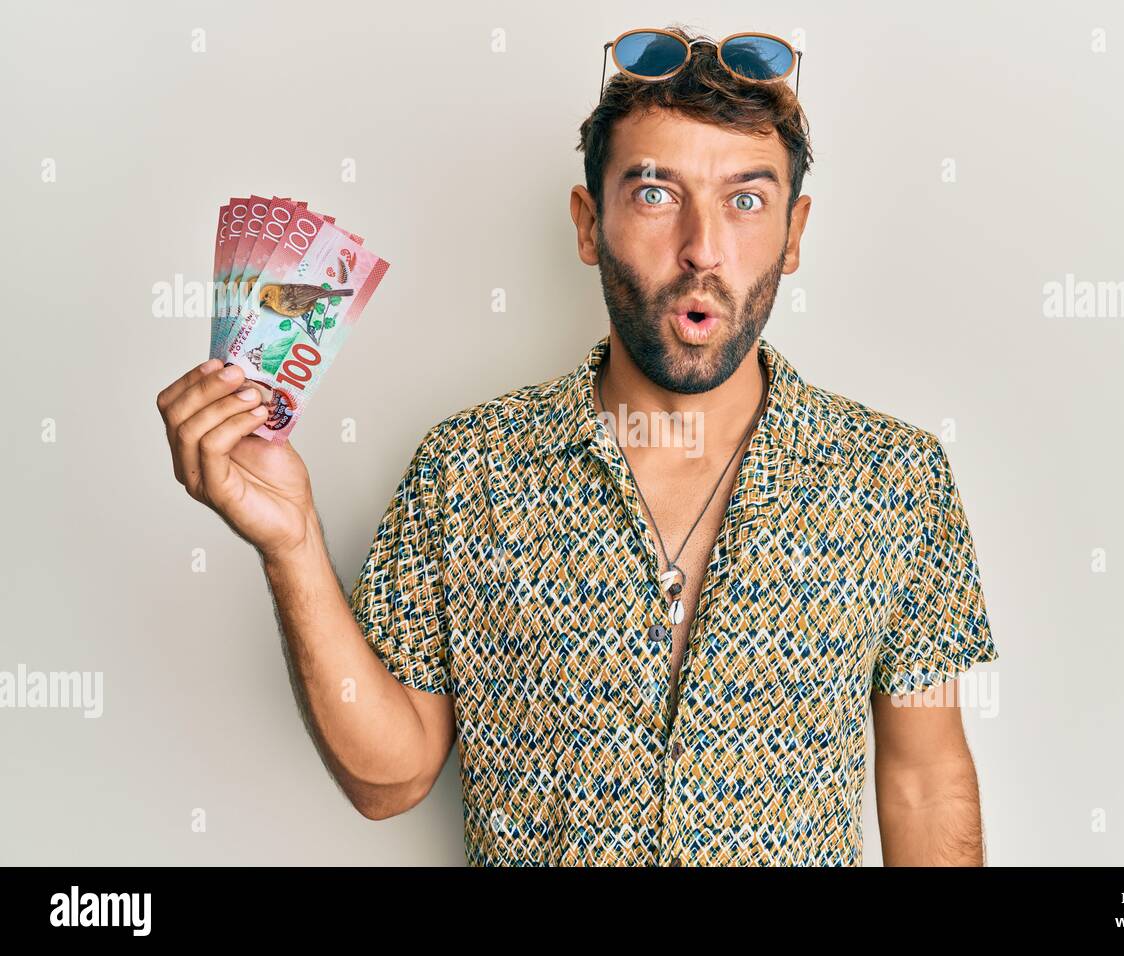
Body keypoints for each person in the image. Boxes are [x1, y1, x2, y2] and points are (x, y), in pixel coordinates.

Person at [155, 24, 999, 866]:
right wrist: (291, 541)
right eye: (656, 194)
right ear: (588, 223)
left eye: (746, 200)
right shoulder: (466, 471)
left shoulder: (899, 480)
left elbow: (926, 782)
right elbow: (390, 779)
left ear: (794, 232)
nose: (703, 248)